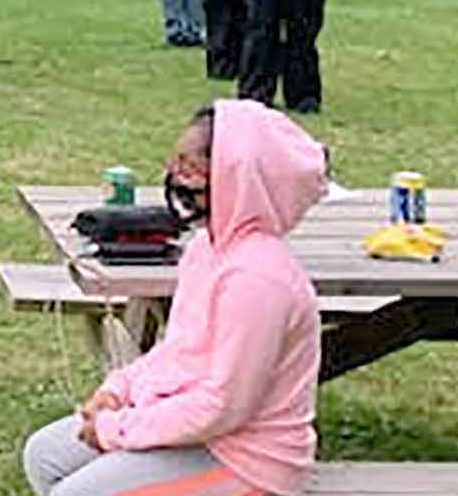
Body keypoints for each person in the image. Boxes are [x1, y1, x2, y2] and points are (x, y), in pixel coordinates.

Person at [22, 100, 324, 496]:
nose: (175, 177)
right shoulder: (207, 248)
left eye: (190, 168)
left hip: (247, 459)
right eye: (175, 162)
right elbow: (178, 351)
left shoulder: (258, 279)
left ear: (234, 177)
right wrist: (117, 391)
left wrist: (118, 430)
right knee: (44, 454)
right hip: (196, 427)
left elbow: (224, 406)